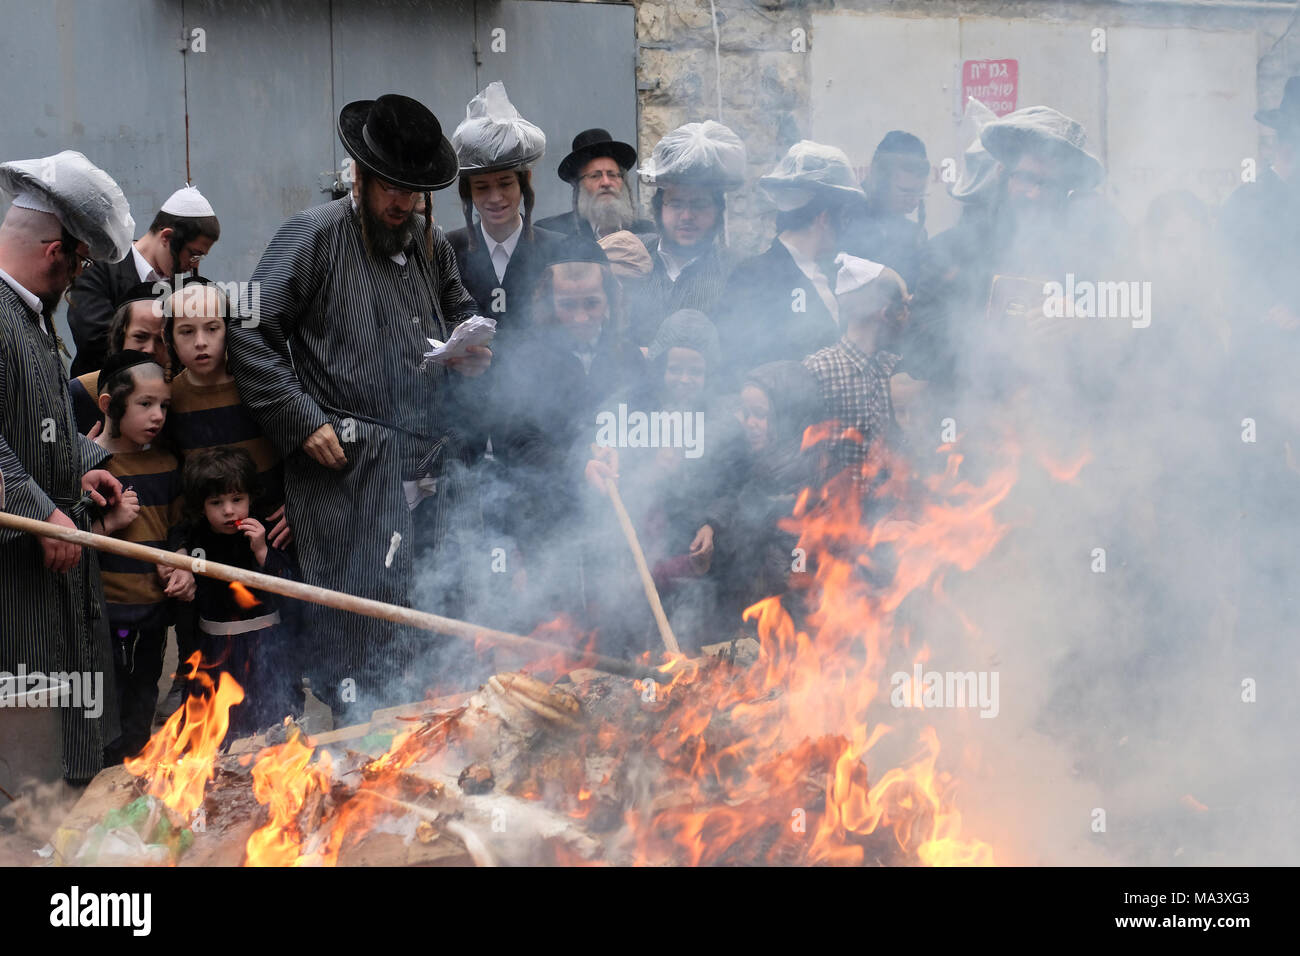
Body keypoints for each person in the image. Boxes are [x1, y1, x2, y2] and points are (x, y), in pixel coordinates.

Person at [226, 94, 490, 721]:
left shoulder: (429, 244)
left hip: (424, 461)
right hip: (346, 465)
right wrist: (301, 418)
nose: (403, 203)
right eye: (392, 188)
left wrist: (470, 347)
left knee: (429, 619)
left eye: (415, 192)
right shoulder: (313, 234)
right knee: (358, 624)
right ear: (360, 175)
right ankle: (357, 763)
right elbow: (247, 328)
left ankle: (427, 749)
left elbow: (458, 309)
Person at [0, 150, 134, 783]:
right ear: (57, 252)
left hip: (55, 568)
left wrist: (82, 467)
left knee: (64, 743)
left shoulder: (30, 316)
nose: (81, 277)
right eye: (81, 262)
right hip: (15, 580)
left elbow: (37, 421)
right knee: (25, 751)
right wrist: (40, 512)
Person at [905, 105, 1124, 394]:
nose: (1034, 194)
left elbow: (1122, 345)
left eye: (1049, 185)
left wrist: (1084, 324)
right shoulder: (951, 251)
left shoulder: (1084, 257)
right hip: (969, 422)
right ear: (1002, 174)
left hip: (1054, 425)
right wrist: (1001, 335)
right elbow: (920, 349)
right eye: (1027, 178)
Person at [161, 281, 290, 718]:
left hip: (270, 529)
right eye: (186, 331)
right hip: (204, 540)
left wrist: (298, 506)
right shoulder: (170, 400)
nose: (201, 342)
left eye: (212, 328)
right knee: (205, 641)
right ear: (169, 337)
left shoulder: (255, 385)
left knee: (276, 640)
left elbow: (296, 444)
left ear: (228, 329)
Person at [91, 350, 194, 762]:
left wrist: (183, 563)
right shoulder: (89, 463)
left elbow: (177, 530)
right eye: (145, 404)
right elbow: (70, 539)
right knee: (102, 712)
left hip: (151, 617)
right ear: (109, 404)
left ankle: (132, 787)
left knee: (141, 704)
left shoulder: (167, 464)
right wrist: (109, 524)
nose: (157, 416)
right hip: (102, 619)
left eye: (164, 406)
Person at [717, 141, 869, 376]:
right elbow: (739, 360)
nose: (849, 228)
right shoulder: (754, 276)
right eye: (846, 217)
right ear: (824, 218)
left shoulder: (833, 273)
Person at [180, 446, 300, 737]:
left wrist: (261, 550)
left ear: (250, 498)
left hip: (266, 644)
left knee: (274, 722)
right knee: (218, 727)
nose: (229, 510)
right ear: (201, 506)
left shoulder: (266, 532)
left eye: (237, 499)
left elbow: (289, 586)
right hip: (215, 647)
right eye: (216, 502)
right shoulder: (193, 537)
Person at [447, 82, 567, 343]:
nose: (495, 198)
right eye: (481, 187)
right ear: (468, 192)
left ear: (524, 182)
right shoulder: (448, 251)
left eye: (505, 184)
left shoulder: (557, 250)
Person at [67, 185, 219, 376]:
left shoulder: (180, 289)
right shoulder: (99, 265)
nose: (193, 266)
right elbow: (92, 337)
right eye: (193, 255)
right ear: (167, 237)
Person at [626, 121, 747, 345]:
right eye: (676, 204)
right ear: (659, 207)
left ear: (718, 211)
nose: (687, 216)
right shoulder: (631, 256)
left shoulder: (737, 271)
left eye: (699, 205)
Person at [802, 254, 909, 503]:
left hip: (886, 519)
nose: (907, 313)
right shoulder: (819, 369)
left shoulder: (895, 368)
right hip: (833, 519)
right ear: (885, 312)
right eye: (903, 305)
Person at [68, 282, 169, 433]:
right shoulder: (79, 394)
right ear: (120, 338)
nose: (150, 349)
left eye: (161, 340)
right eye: (140, 337)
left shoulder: (180, 395)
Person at [842, 131, 930, 291]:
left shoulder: (913, 234)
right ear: (879, 180)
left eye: (919, 193)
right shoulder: (843, 220)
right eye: (906, 191)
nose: (914, 202)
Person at [534, 128, 655, 239]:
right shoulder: (552, 232)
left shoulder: (645, 232)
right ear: (579, 186)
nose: (606, 182)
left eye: (612, 174)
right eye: (595, 176)